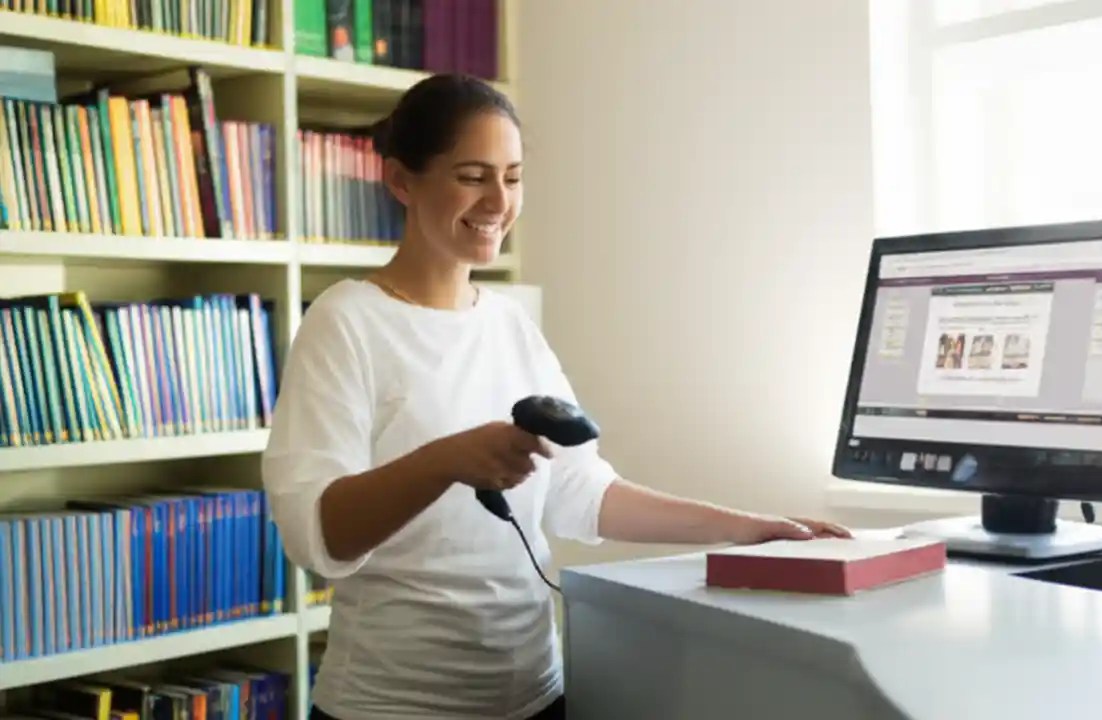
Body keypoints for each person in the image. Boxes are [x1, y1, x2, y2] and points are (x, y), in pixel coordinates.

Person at [262, 73, 852, 720]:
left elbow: (583, 495)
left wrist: (748, 529)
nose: (498, 201)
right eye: (471, 175)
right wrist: (443, 461)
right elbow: (318, 535)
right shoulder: (346, 321)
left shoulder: (510, 323)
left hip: (535, 695)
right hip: (394, 705)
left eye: (512, 178)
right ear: (402, 181)